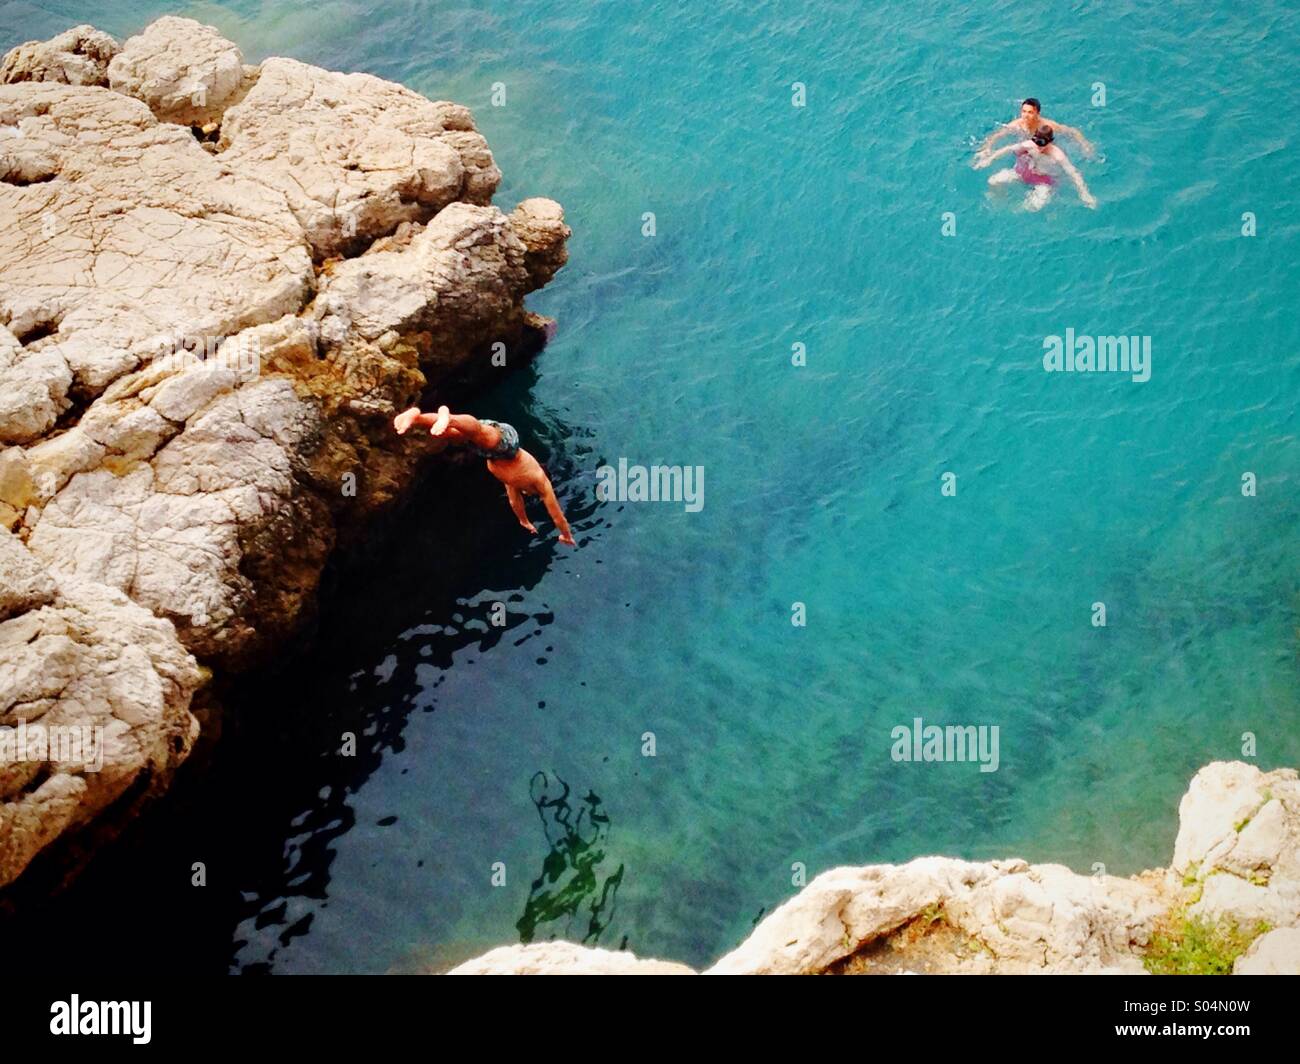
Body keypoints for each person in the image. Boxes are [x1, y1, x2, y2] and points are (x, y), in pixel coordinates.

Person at [394, 405, 576, 546]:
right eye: (530, 493)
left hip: (490, 454)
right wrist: (566, 535)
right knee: (480, 433)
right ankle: (448, 416)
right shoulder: (539, 480)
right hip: (508, 444)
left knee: (454, 436)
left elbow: (515, 502)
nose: (528, 494)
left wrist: (524, 521)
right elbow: (557, 515)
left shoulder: (512, 483)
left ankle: (416, 417)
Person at [976, 125, 1097, 210]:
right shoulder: (1029, 145)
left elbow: (1073, 173)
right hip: (1022, 173)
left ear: (1050, 141)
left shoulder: (1058, 156)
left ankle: (1015, 212)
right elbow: (1007, 149)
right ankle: (999, 203)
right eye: (1036, 142)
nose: (1038, 146)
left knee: (1035, 206)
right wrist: (989, 159)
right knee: (993, 181)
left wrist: (1084, 194)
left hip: (1044, 182)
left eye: (1042, 143)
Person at [977, 97, 1095, 159]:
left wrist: (1085, 145)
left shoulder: (1047, 125)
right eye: (1023, 111)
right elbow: (997, 135)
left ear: (1037, 113)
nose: (1025, 115)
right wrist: (986, 148)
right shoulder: (1016, 125)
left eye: (1030, 112)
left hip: (1045, 145)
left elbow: (1072, 131)